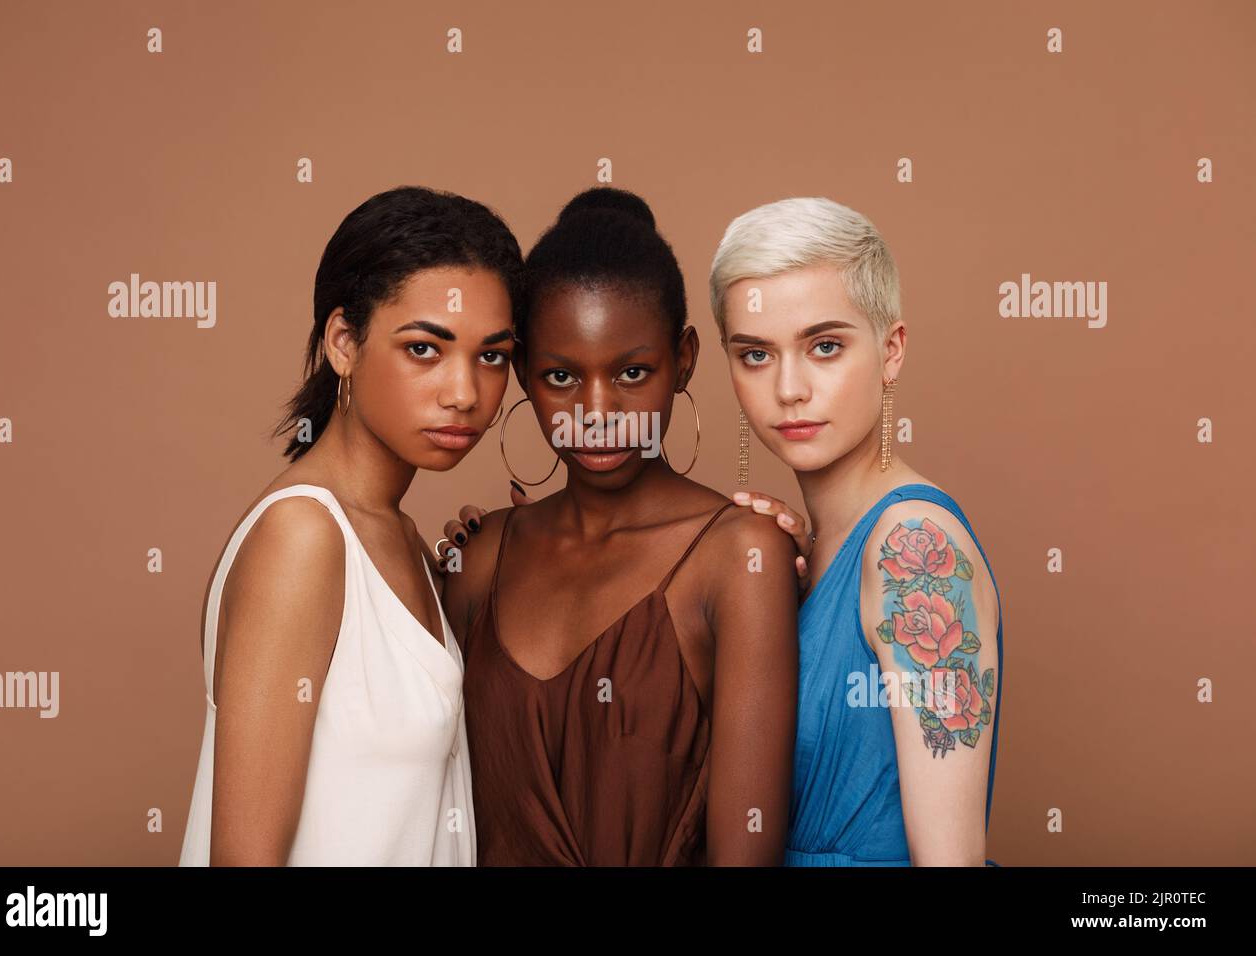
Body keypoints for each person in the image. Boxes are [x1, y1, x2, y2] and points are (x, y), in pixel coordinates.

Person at [438, 187, 798, 866]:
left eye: (633, 372)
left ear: (684, 359)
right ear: (522, 373)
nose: (597, 411)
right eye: (560, 376)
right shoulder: (481, 556)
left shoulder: (741, 558)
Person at [178, 186, 523, 865]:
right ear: (343, 342)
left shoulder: (405, 542)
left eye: (492, 356)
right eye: (424, 349)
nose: (465, 393)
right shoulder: (302, 537)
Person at [709, 196, 1004, 866]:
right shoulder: (804, 552)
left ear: (891, 350)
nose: (789, 388)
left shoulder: (914, 546)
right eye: (755, 354)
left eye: (825, 347)